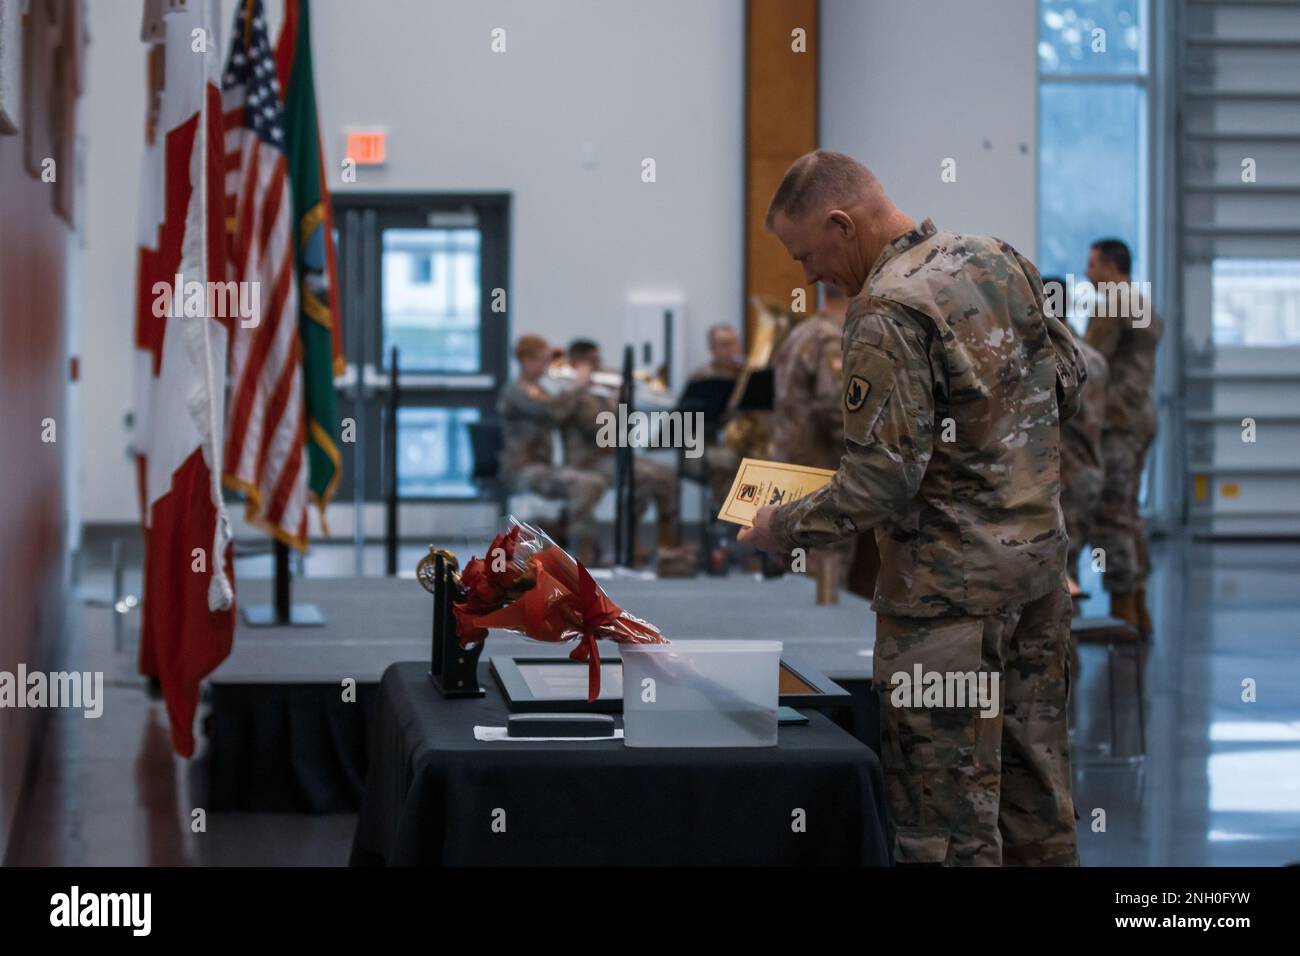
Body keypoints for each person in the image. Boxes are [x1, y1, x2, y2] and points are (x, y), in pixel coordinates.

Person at [739, 149, 1083, 866]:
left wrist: (782, 525)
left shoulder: (886, 308)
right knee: (1035, 802)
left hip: (945, 603)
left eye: (808, 255)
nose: (810, 277)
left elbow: (882, 479)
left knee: (946, 825)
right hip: (1038, 580)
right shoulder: (997, 258)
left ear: (841, 222)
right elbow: (1069, 380)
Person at [1083, 239, 1162, 637]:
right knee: (1129, 513)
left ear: (1112, 266)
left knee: (1111, 514)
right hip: (1139, 417)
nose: (1087, 272)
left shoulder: (1112, 302)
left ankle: (1123, 613)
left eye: (1094, 264)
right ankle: (1138, 602)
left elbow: (1091, 361)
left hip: (1115, 421)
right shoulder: (1140, 301)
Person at [562, 339, 680, 558]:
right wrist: (618, 404)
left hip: (610, 456)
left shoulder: (598, 390)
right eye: (591, 361)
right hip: (588, 461)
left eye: (597, 359)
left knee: (666, 473)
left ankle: (667, 543)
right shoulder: (574, 392)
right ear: (577, 363)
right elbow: (596, 427)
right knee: (643, 476)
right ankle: (628, 539)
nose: (598, 366)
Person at [770, 283, 852, 589]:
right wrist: (875, 455)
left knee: (798, 576)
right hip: (820, 477)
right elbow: (835, 408)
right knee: (823, 580)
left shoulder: (799, 333)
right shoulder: (830, 337)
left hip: (792, 474)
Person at [497, 335, 607, 561]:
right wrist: (577, 386)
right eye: (543, 359)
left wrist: (596, 396)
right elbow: (551, 412)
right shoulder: (516, 392)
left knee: (593, 481)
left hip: (542, 467)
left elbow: (562, 413)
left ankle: (574, 547)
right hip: (521, 470)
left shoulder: (539, 390)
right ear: (526, 360)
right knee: (587, 484)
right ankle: (582, 559)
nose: (548, 365)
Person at [1042, 277, 1110, 581]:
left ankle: (1069, 629)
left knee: (1056, 578)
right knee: (1069, 570)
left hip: (1062, 478)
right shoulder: (1093, 358)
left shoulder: (1047, 361)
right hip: (1089, 474)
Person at [683, 324, 744, 517]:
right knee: (726, 463)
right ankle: (725, 522)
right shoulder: (701, 378)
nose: (731, 350)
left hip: (739, 444)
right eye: (724, 344)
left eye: (734, 343)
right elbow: (686, 423)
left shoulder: (747, 375)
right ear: (713, 349)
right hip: (700, 445)